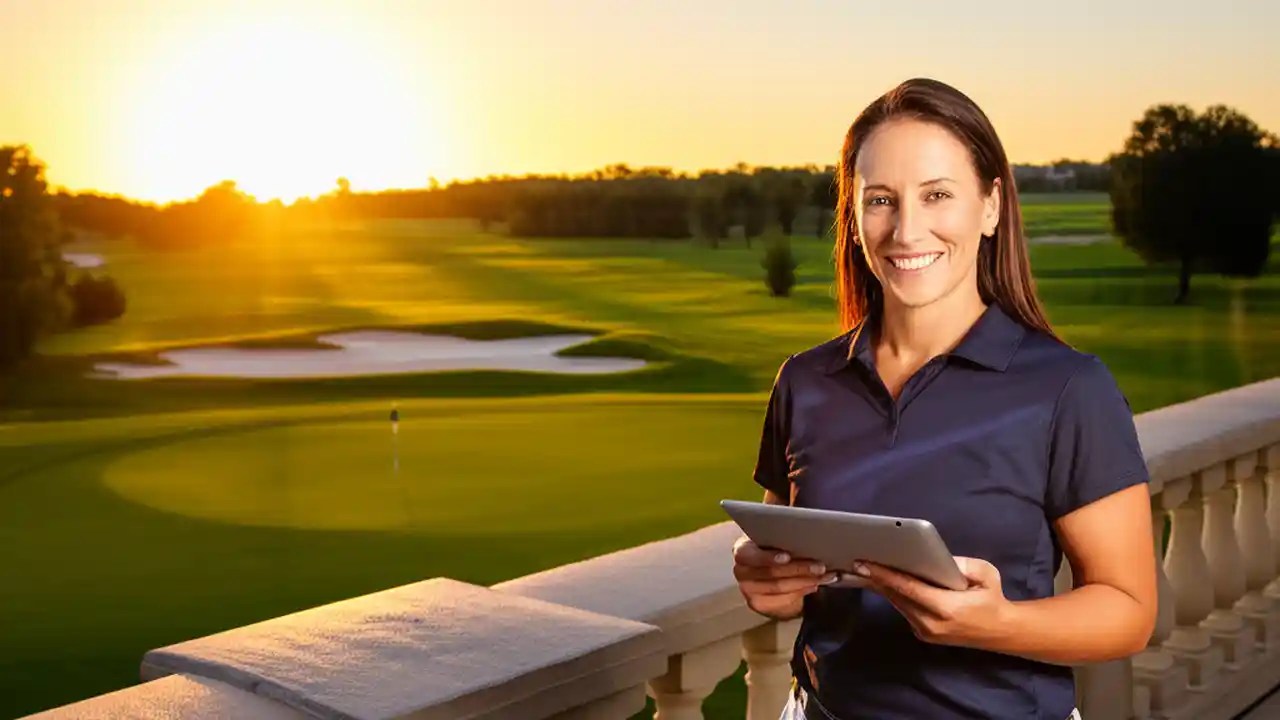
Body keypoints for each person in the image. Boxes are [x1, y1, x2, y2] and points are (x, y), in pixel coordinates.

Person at [731, 78, 1157, 720]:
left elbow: (1129, 612)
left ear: (990, 207)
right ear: (853, 220)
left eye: (937, 195)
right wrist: (765, 576)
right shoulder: (805, 380)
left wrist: (997, 624)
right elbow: (787, 559)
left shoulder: (1068, 388)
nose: (907, 230)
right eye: (881, 200)